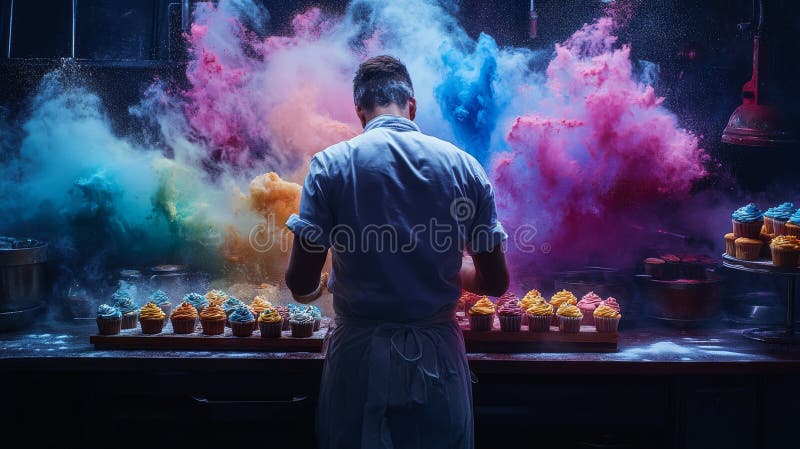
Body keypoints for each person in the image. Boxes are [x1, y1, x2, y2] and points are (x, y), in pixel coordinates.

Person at [285, 55, 509, 449]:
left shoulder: (330, 165)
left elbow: (300, 281)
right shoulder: (465, 167)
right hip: (438, 363)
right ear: (412, 105)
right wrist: (444, 263)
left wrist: (319, 283)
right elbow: (495, 283)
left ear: (360, 112)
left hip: (358, 360)